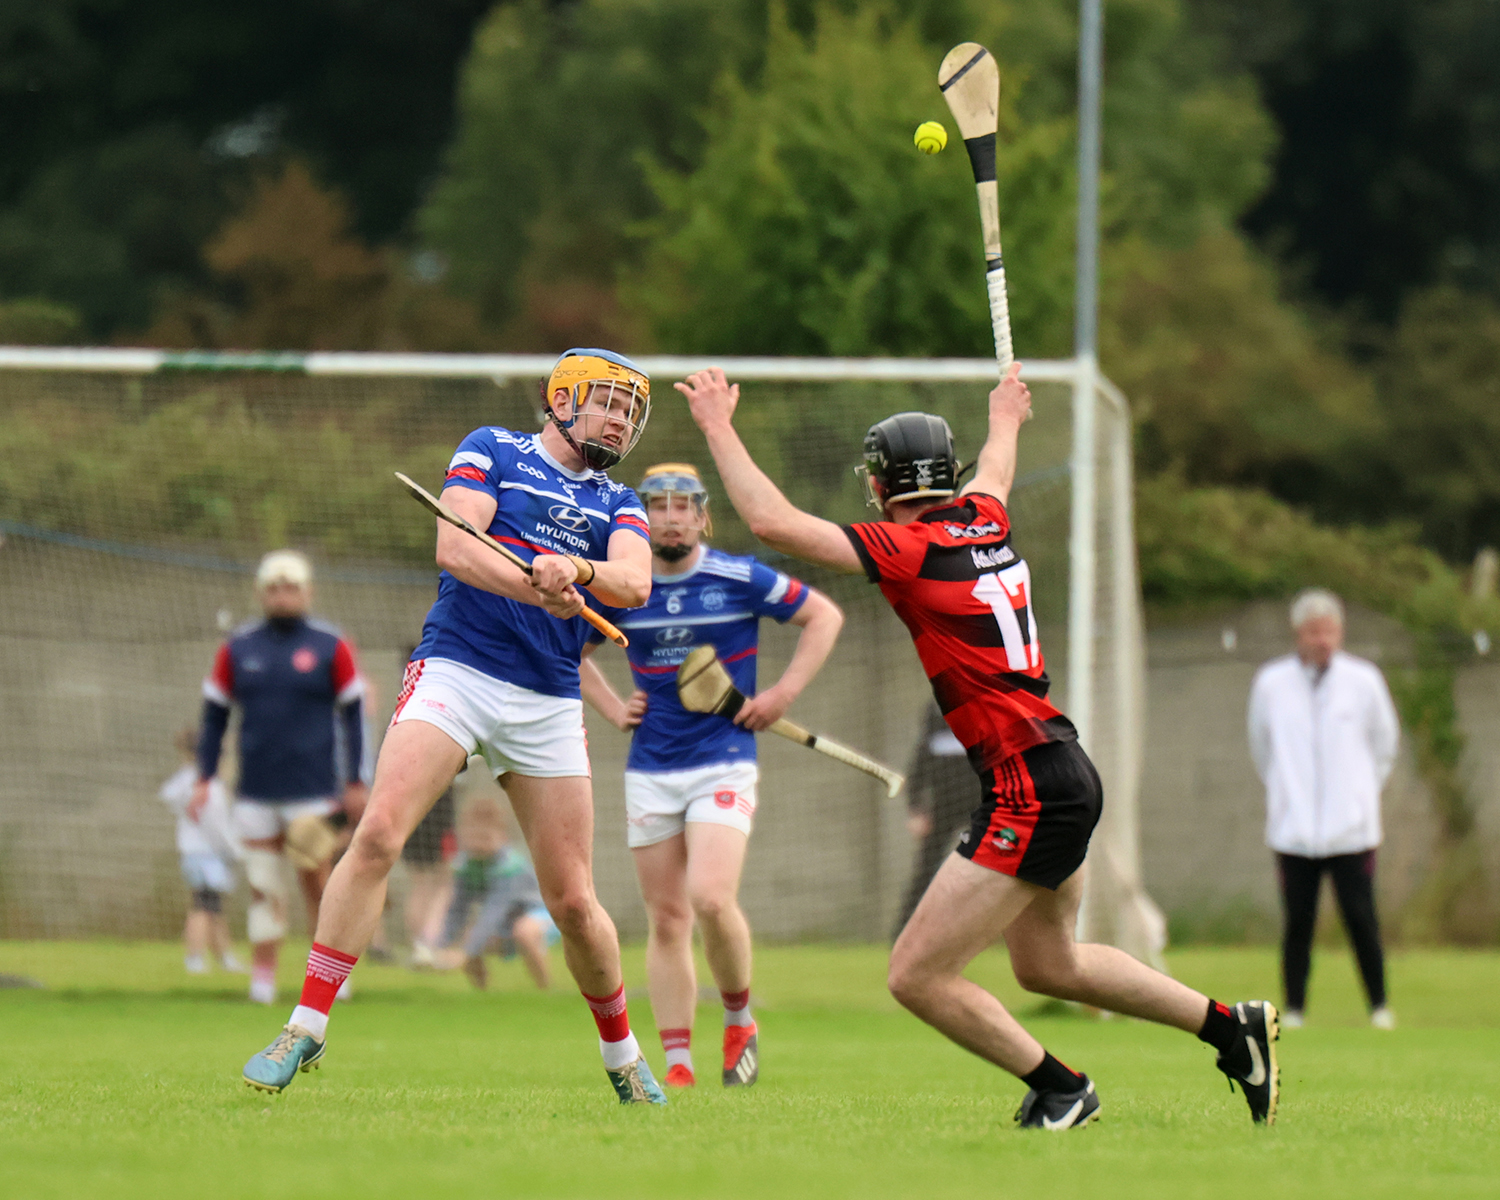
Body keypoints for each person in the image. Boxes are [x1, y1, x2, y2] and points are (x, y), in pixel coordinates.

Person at [678, 363, 1282, 1128]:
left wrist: (717, 426)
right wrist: (1007, 416)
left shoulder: (909, 548)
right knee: (1048, 965)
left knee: (915, 974)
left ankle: (1063, 1089)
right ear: (948, 475)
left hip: (1029, 784)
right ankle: (1234, 1031)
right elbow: (994, 472)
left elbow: (773, 523)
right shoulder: (986, 519)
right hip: (1063, 767)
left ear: (884, 484)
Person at [241, 348, 667, 1105]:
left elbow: (635, 580)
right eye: (607, 402)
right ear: (563, 401)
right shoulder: (492, 448)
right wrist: (536, 586)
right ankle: (304, 1025)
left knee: (572, 902)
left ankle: (626, 1058)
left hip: (548, 697)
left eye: (631, 411)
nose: (619, 420)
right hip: (459, 670)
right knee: (377, 836)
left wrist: (580, 575)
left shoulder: (619, 502)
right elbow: (457, 546)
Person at [578, 462, 843, 1088]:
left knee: (711, 898)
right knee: (667, 919)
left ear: (702, 517)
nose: (670, 517)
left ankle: (738, 1016)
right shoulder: (622, 588)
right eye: (658, 506)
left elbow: (824, 617)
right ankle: (677, 1066)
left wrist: (780, 694)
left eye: (682, 506)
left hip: (723, 759)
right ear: (641, 519)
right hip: (651, 768)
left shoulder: (737, 576)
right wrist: (615, 707)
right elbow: (572, 649)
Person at [195, 550, 368, 1004]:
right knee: (263, 885)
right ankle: (263, 981)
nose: (283, 596)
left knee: (319, 884)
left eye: (292, 587)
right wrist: (204, 777)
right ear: (261, 593)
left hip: (314, 794)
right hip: (255, 793)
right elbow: (214, 717)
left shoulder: (332, 645)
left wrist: (356, 780)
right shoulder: (238, 647)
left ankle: (331, 978)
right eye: (274, 588)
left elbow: (354, 717)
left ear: (308, 592)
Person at [1248, 588, 1400, 1030]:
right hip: (1293, 830)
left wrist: (1361, 796)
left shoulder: (1364, 680)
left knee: (1361, 917)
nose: (1323, 639)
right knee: (1298, 920)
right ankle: (1294, 1009)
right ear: (1299, 633)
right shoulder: (1271, 683)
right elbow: (1262, 748)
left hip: (1351, 829)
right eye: (1314, 631)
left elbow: (1384, 746)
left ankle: (1379, 1006)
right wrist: (1284, 793)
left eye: (1330, 631)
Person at [437, 796, 558, 990]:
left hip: (539, 915)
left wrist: (464, 952)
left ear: (502, 837)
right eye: (473, 836)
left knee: (523, 932)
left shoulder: (510, 868)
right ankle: (483, 995)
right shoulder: (466, 866)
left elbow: (493, 911)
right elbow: (458, 909)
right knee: (472, 938)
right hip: (506, 920)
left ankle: (545, 990)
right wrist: (440, 946)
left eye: (485, 838)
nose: (478, 844)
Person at [160, 727, 245, 975]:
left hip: (194, 853)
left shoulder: (186, 781)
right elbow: (217, 826)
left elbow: (171, 796)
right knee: (203, 907)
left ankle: (224, 956)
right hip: (208, 854)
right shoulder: (209, 787)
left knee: (213, 908)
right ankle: (194, 958)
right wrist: (234, 850)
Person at [892, 703, 977, 940]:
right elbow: (919, 763)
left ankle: (976, 931)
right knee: (926, 869)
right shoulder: (936, 710)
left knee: (984, 869)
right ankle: (904, 932)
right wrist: (916, 810)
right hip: (943, 806)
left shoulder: (986, 706)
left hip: (980, 807)